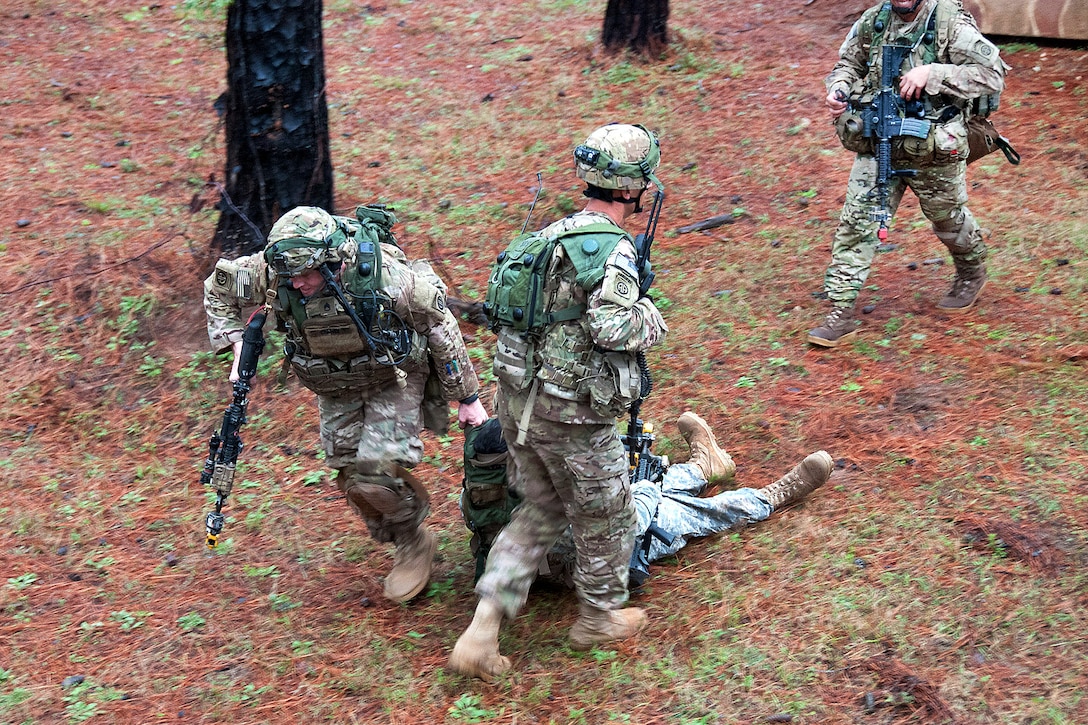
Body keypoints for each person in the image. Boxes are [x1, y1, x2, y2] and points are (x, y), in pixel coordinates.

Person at [448, 123, 669, 682]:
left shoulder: (544, 238)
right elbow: (613, 326)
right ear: (632, 188)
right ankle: (597, 616)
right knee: (609, 513)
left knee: (540, 510)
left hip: (518, 407)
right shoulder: (611, 249)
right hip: (571, 414)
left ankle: (482, 628)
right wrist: (652, 316)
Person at [203, 204, 488, 602]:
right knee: (353, 480)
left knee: (375, 472)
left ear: (333, 261)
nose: (298, 283)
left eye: (308, 274)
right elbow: (216, 289)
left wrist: (467, 397)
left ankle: (410, 543)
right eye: (291, 276)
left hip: (396, 374)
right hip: (334, 381)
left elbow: (439, 323)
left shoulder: (386, 278)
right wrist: (236, 345)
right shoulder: (272, 271)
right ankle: (410, 538)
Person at [808, 0, 1007, 348]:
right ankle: (840, 309)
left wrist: (934, 73)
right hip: (878, 139)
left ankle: (971, 270)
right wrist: (838, 89)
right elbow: (847, 64)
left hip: (932, 146)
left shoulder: (948, 22)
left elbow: (992, 74)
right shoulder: (874, 20)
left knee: (948, 219)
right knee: (858, 223)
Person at [460, 414, 834, 593]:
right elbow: (628, 522)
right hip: (608, 550)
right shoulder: (543, 517)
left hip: (565, 545)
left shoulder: (478, 493)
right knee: (687, 510)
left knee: (645, 484)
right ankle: (770, 497)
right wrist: (642, 487)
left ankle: (705, 466)